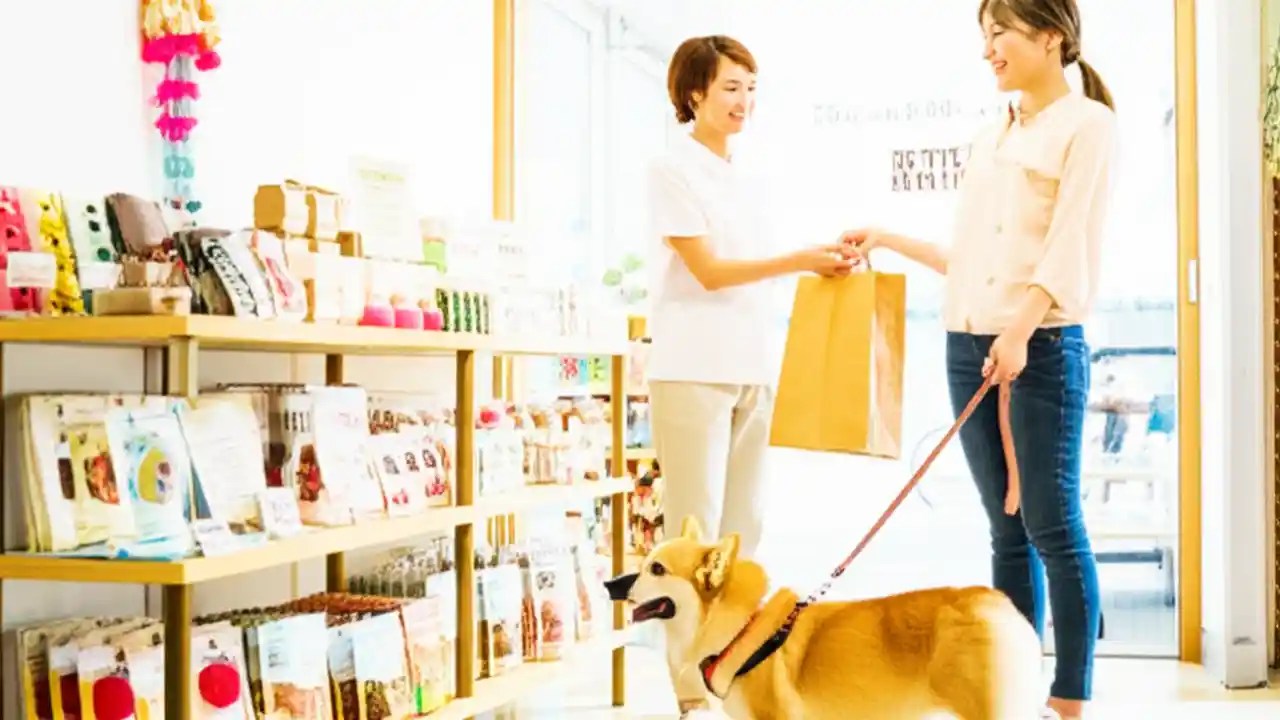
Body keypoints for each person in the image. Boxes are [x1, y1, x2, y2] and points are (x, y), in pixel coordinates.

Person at [841, 2, 1115, 718]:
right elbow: (973, 257)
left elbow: (1068, 245)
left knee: (1054, 525)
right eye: (983, 35)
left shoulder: (1088, 126)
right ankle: (1016, 687)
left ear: (1050, 37)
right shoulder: (990, 137)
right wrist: (888, 238)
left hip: (1041, 346)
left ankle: (1070, 699)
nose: (987, 50)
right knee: (1006, 528)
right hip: (969, 345)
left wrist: (1021, 331)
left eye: (1000, 33)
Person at [647, 36, 852, 564]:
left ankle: (739, 647)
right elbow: (710, 271)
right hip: (692, 367)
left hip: (753, 366)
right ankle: (689, 650)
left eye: (751, 88)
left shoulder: (748, 176)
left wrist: (818, 261)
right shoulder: (672, 169)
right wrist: (801, 260)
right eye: (731, 87)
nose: (745, 101)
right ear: (695, 94)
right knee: (694, 535)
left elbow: (758, 268)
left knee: (745, 532)